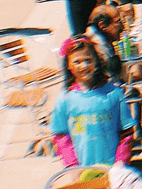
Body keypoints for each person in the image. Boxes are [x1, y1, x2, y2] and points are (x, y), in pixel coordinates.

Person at [51, 36, 135, 168]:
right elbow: (61, 136)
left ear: (96, 62)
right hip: (82, 170)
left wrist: (121, 161)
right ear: (68, 65)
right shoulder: (65, 99)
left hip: (113, 168)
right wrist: (72, 165)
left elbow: (126, 132)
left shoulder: (113, 93)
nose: (84, 66)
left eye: (88, 60)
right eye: (77, 62)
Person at [84, 5, 124, 84]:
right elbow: (112, 82)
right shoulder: (97, 48)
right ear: (102, 25)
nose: (122, 27)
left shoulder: (101, 40)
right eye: (118, 22)